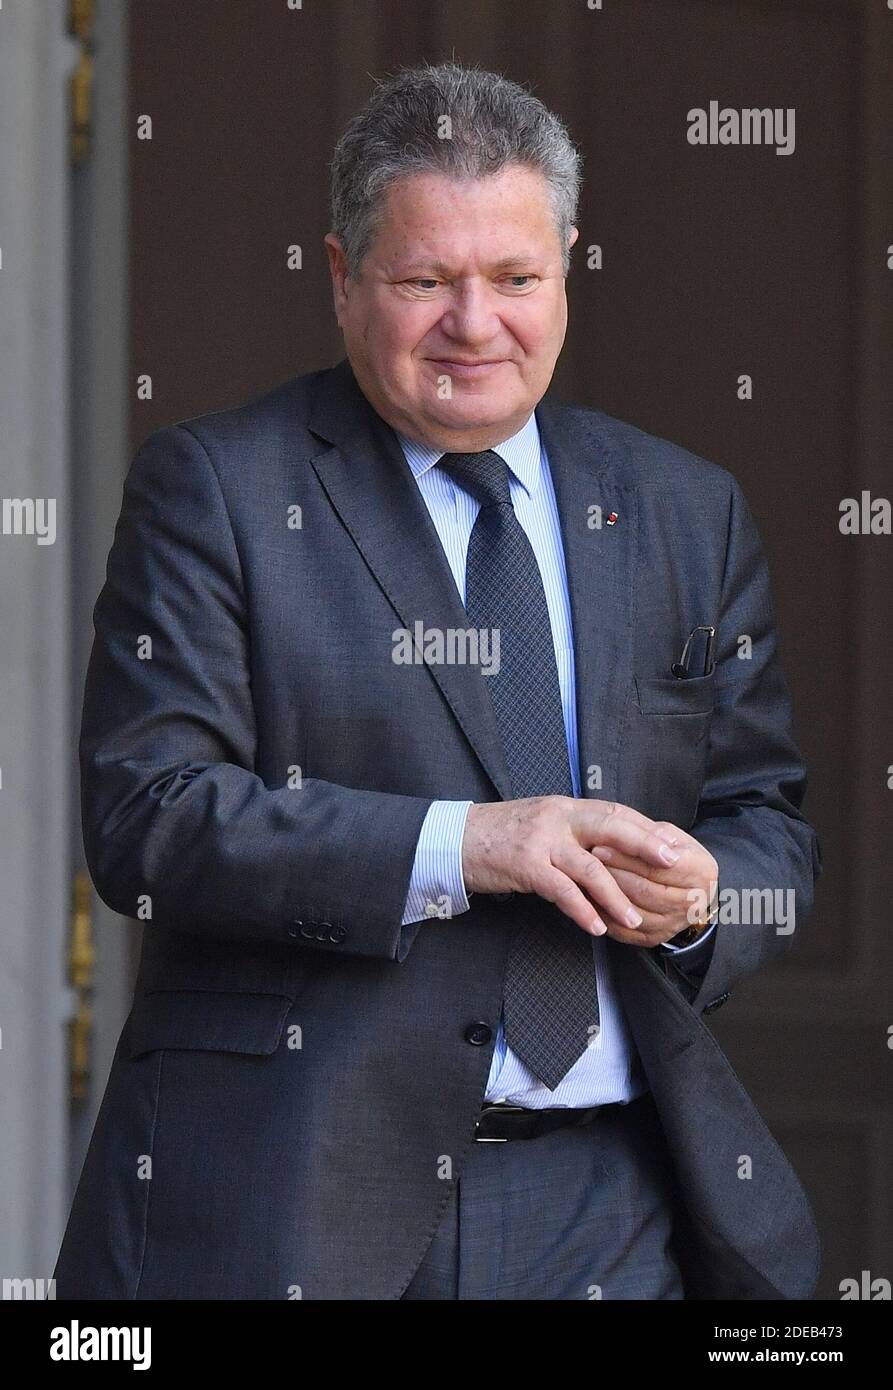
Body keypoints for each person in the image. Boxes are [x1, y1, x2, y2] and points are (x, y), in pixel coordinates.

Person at [53, 61, 821, 1300]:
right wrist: (467, 843)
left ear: (566, 266)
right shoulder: (219, 491)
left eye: (515, 278)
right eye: (425, 281)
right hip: (299, 1201)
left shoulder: (687, 510)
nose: (477, 324)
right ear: (344, 277)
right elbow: (149, 820)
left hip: (617, 1206)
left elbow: (765, 823)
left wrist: (702, 895)